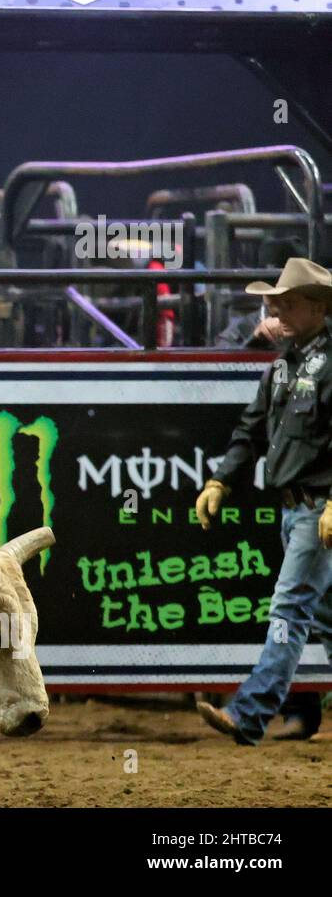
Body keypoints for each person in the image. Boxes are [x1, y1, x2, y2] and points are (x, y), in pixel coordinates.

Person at [195, 257, 332, 745]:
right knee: (323, 614)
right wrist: (219, 481)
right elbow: (250, 428)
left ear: (318, 308)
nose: (275, 308)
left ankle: (250, 713)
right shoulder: (283, 366)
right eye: (275, 301)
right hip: (298, 509)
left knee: (290, 608)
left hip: (318, 508)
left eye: (288, 302)